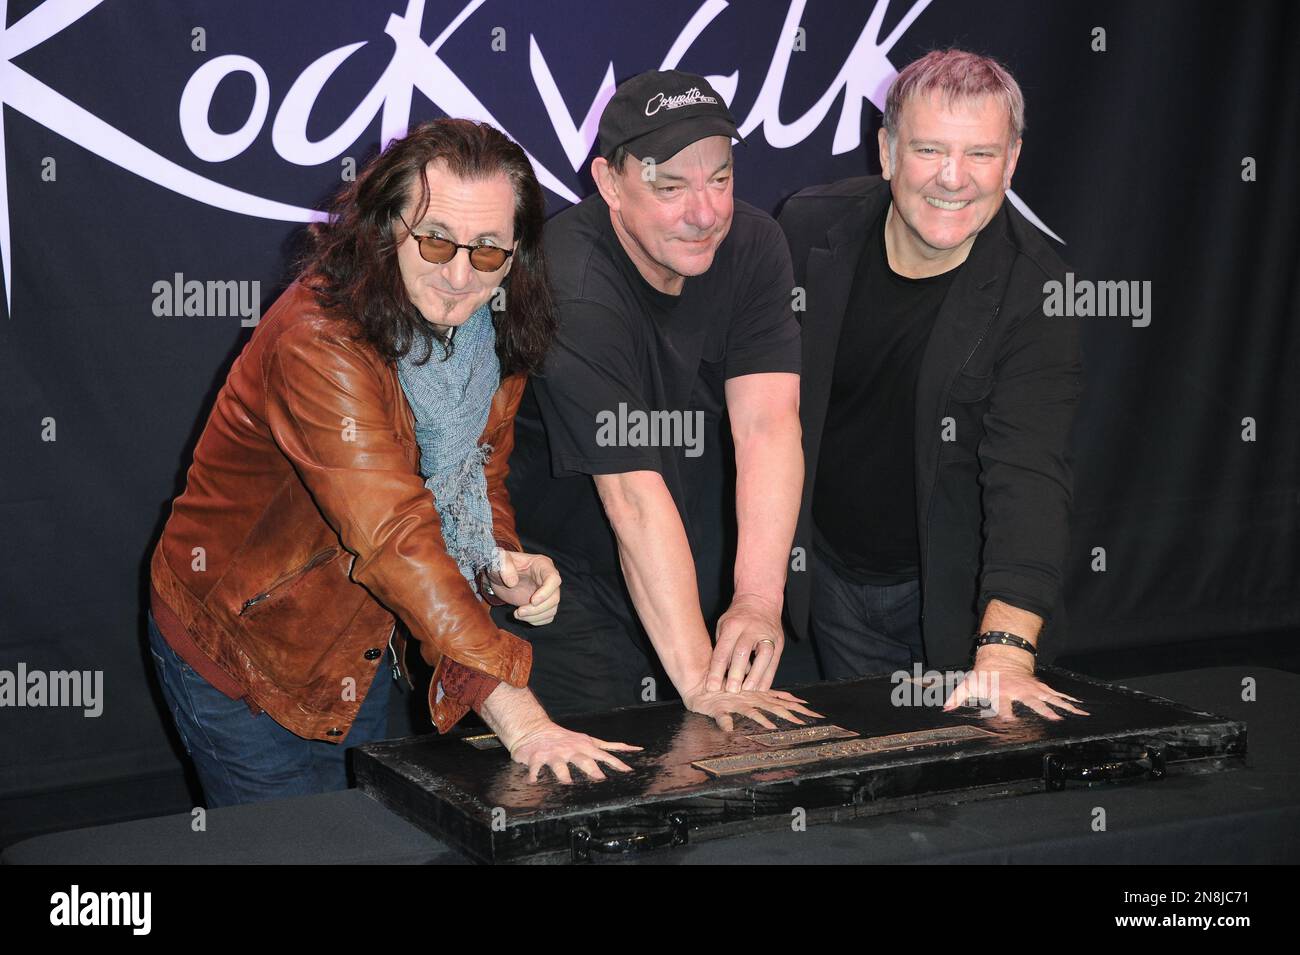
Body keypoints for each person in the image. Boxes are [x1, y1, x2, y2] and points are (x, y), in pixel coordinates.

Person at [147, 119, 639, 807]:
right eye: (435, 239)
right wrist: (521, 720)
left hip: (365, 636)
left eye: (489, 249)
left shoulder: (491, 326)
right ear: (386, 227)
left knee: (366, 833)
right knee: (300, 850)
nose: (460, 275)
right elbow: (394, 535)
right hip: (247, 645)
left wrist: (496, 559)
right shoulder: (317, 342)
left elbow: (480, 470)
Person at [498, 69, 819, 731]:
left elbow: (767, 425)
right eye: (670, 186)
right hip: (560, 577)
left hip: (688, 553)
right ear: (611, 183)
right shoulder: (572, 279)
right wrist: (705, 687)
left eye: (721, 179)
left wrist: (757, 598)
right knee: (608, 782)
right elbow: (632, 498)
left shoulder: (754, 245)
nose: (705, 214)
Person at [779, 49, 1089, 721]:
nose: (954, 178)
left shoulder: (1040, 294)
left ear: (1010, 162)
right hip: (820, 584)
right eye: (929, 150)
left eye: (981, 154)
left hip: (953, 598)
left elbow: (1028, 475)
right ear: (886, 152)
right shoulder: (806, 230)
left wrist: (1004, 653)